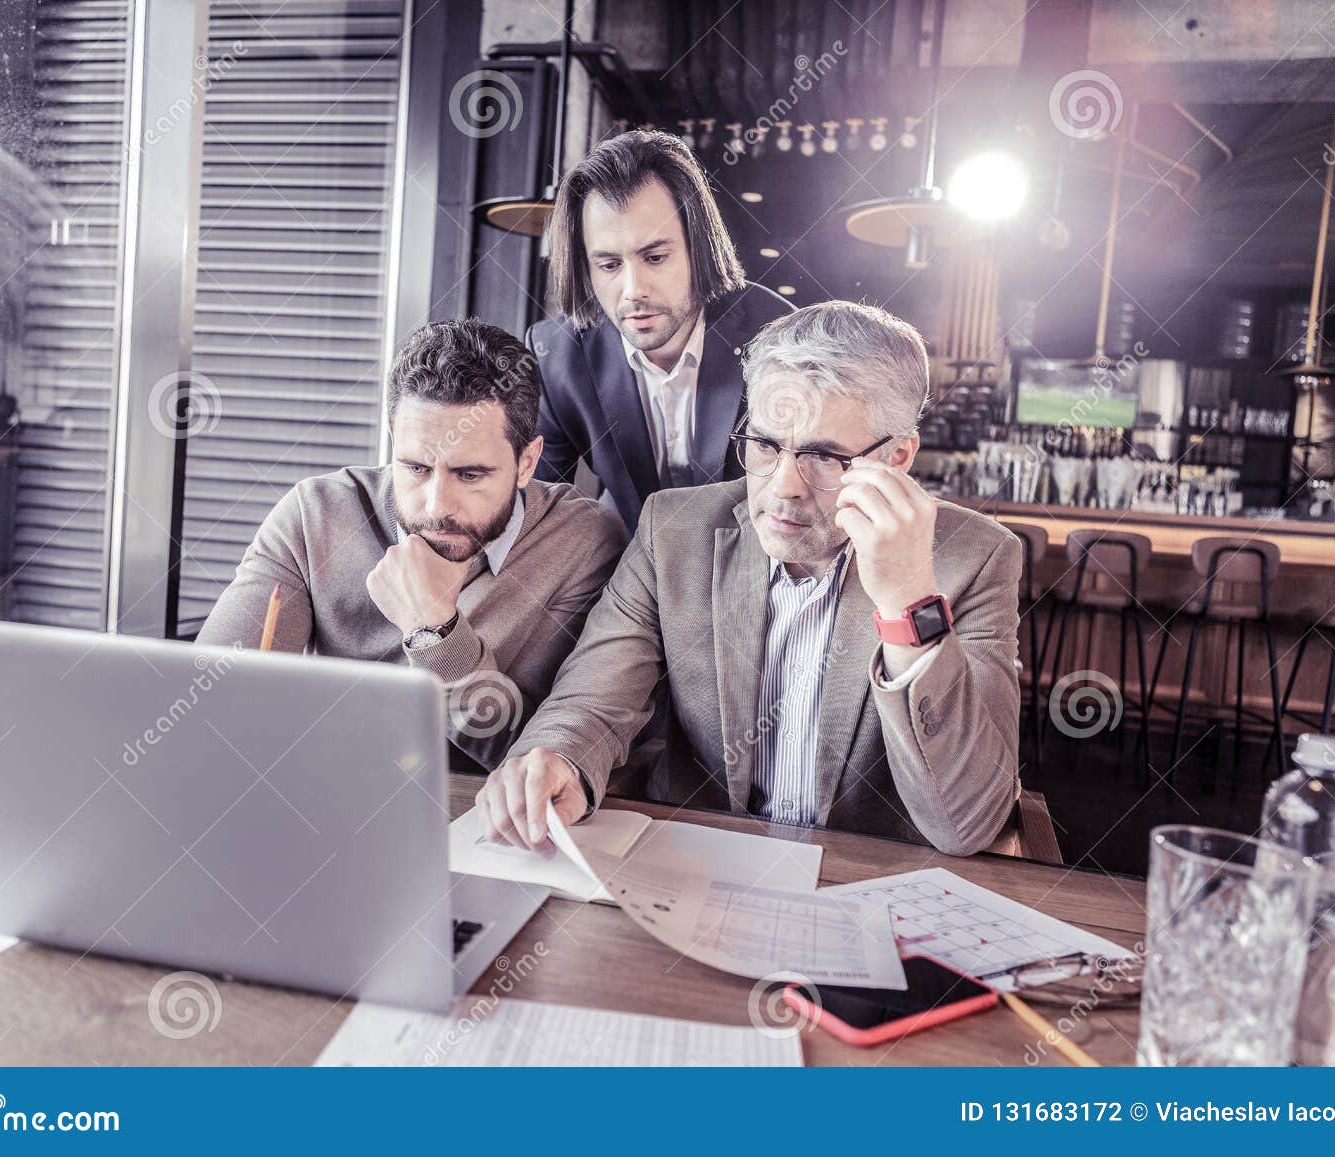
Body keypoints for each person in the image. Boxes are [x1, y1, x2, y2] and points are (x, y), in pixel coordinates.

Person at [477, 300, 1023, 856]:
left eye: (824, 456)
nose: (784, 486)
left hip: (864, 879)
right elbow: (594, 700)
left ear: (897, 457)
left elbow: (967, 824)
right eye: (764, 445)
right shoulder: (674, 530)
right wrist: (558, 757)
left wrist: (907, 603)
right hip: (699, 865)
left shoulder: (973, 559)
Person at [198, 319, 626, 771]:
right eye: (416, 468)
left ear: (527, 462)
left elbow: (538, 754)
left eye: (470, 474)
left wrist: (436, 632)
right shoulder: (315, 515)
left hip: (476, 806)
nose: (437, 505)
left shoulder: (582, 543)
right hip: (320, 787)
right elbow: (209, 706)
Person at [530, 130, 793, 534]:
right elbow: (534, 511)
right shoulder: (557, 356)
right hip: (631, 554)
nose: (633, 291)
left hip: (753, 556)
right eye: (609, 265)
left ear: (698, 247)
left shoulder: (779, 337)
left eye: (655, 257)